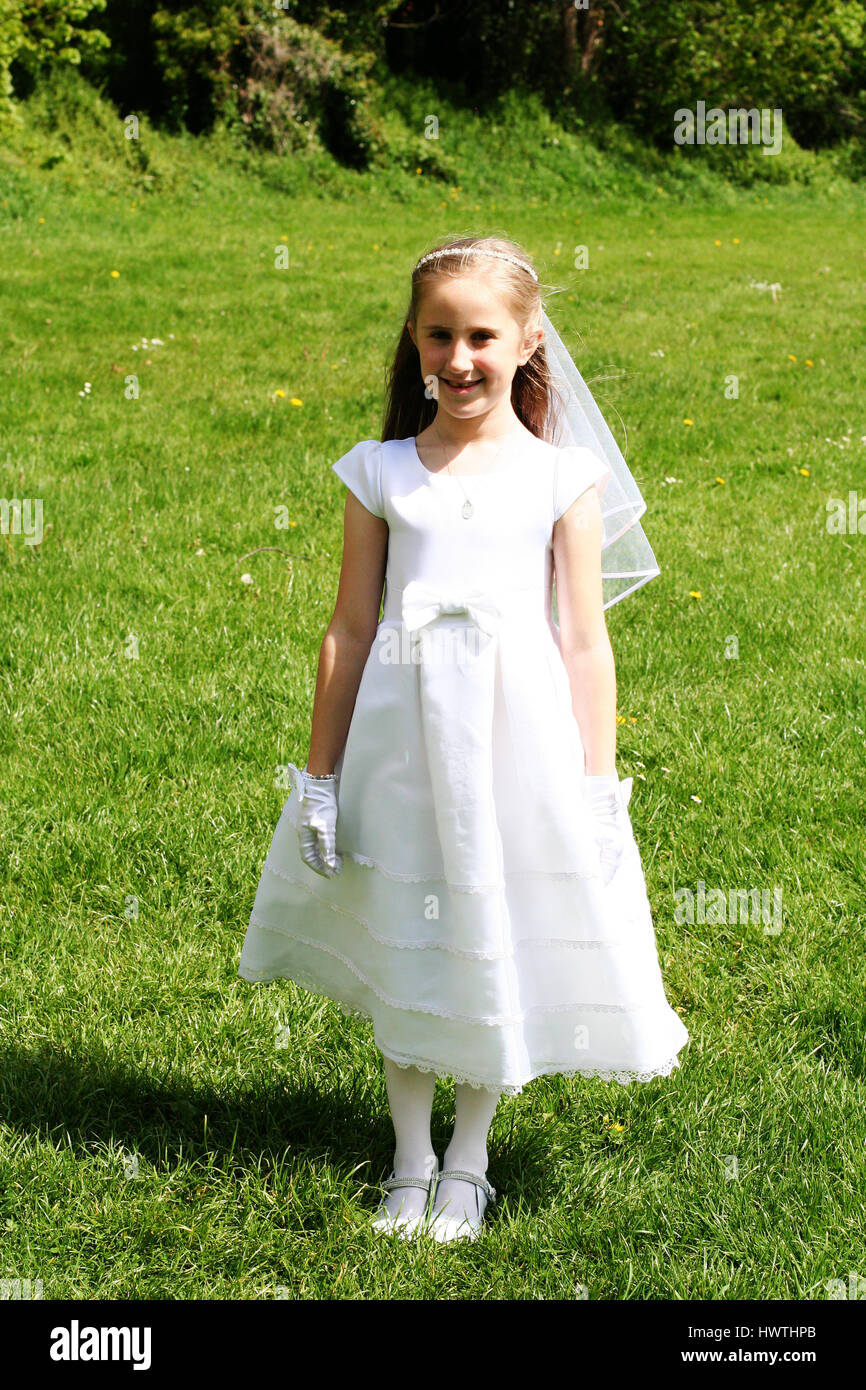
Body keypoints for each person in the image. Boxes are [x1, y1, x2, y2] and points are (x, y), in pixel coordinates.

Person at [238, 234, 689, 1243]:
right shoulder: (380, 472)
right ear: (413, 339)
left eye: (481, 334)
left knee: (485, 936)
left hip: (512, 754)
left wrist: (595, 785)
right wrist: (319, 777)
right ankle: (407, 1157)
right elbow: (348, 629)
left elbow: (581, 641)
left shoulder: (560, 480)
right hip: (399, 753)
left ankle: (469, 1160)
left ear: (527, 341)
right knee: (410, 938)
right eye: (438, 334)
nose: (458, 358)